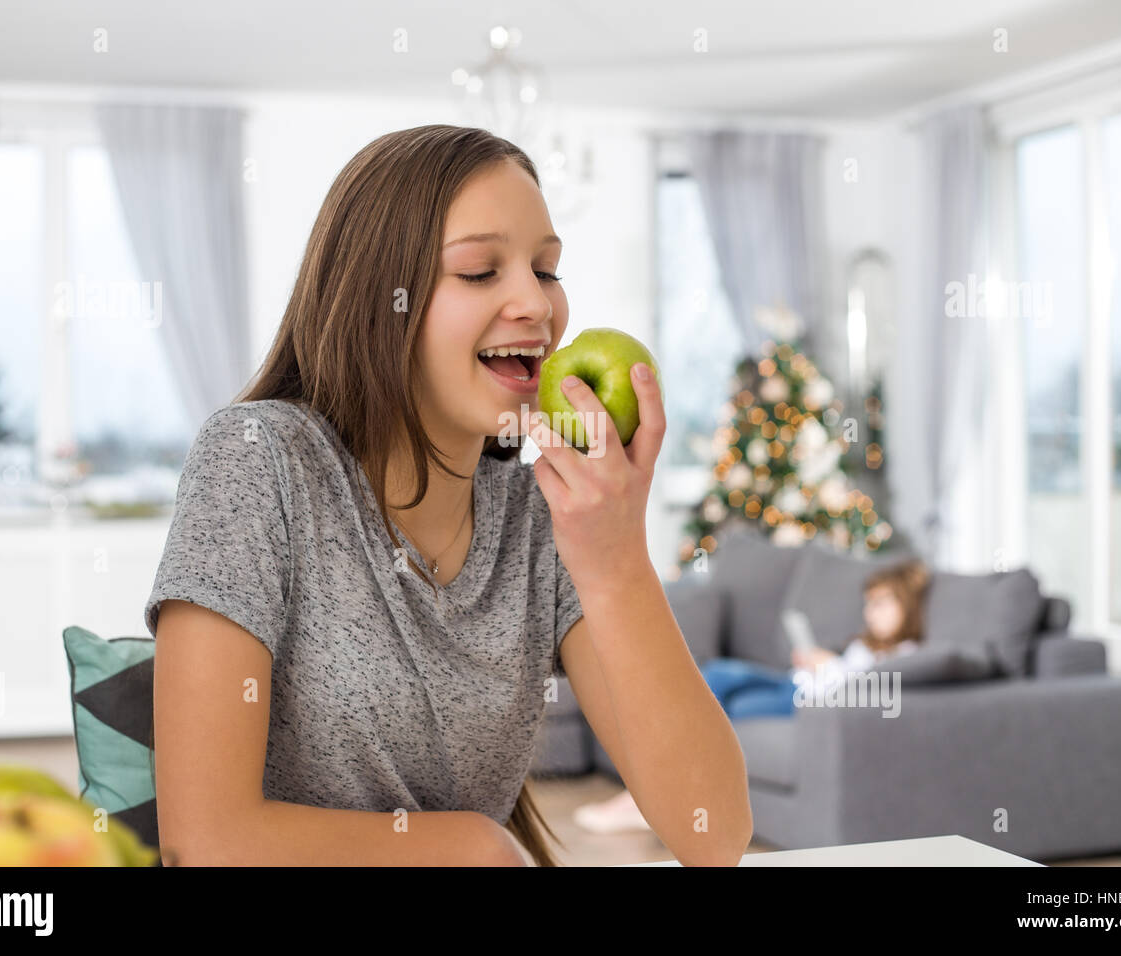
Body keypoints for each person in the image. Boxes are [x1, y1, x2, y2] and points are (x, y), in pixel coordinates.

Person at [145, 125, 752, 867]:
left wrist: (618, 558)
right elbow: (201, 843)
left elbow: (713, 832)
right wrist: (473, 847)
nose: (536, 304)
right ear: (379, 300)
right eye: (478, 272)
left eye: (546, 270)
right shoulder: (258, 460)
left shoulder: (540, 520)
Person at [574, 557, 931, 834]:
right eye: (870, 603)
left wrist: (828, 667)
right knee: (722, 690)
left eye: (883, 603)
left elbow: (863, 690)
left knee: (719, 682)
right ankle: (651, 799)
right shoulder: (864, 645)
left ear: (908, 608)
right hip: (795, 683)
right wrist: (817, 660)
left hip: (805, 700)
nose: (871, 612)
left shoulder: (906, 655)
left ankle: (647, 800)